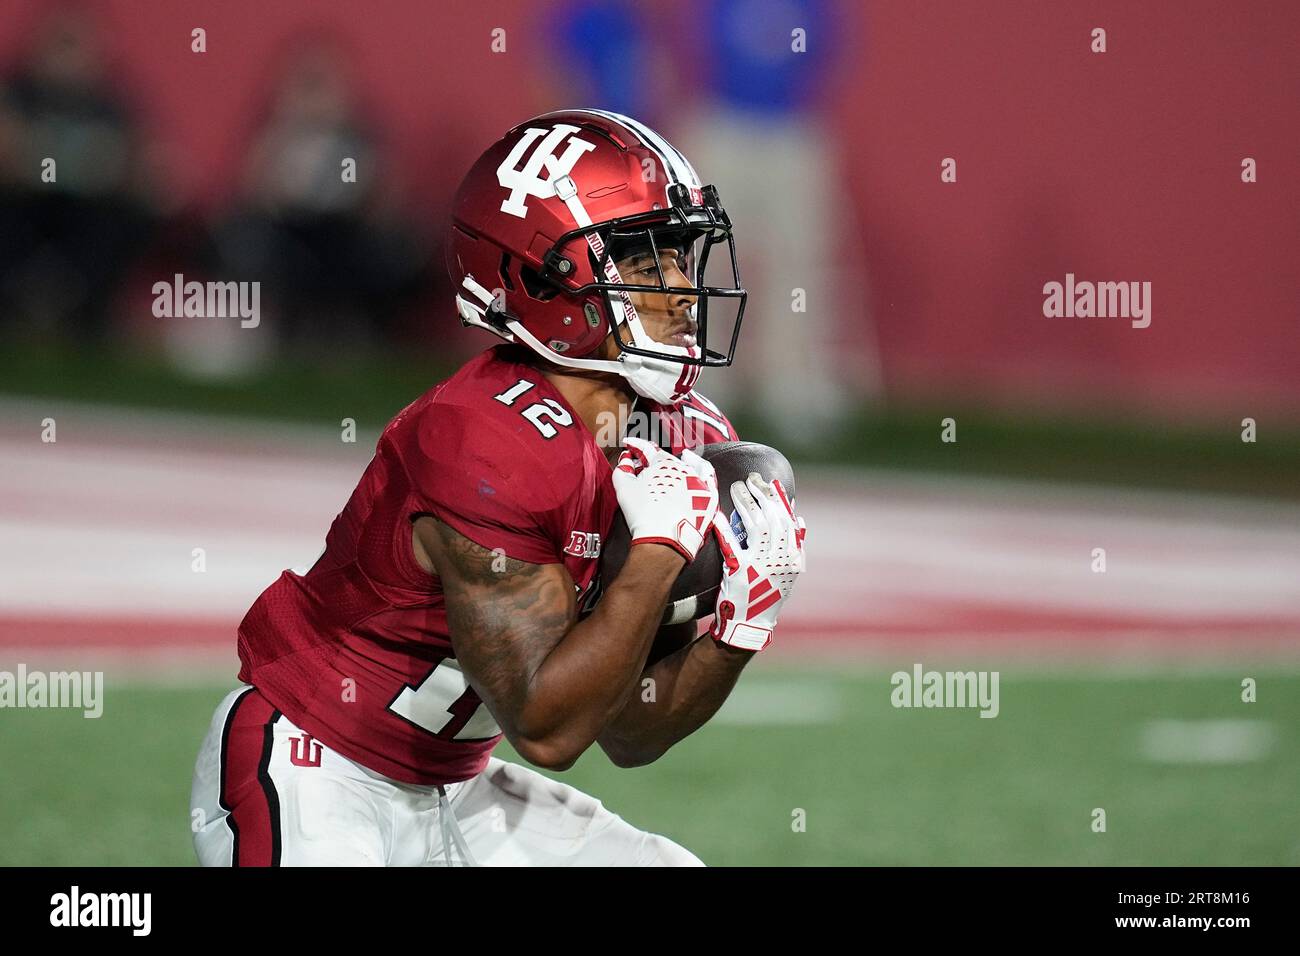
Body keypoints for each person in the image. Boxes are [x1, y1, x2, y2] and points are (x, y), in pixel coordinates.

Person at [190, 109, 807, 866]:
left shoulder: (682, 432)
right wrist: (655, 555)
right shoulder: (481, 439)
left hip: (459, 788)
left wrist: (739, 632)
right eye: (648, 263)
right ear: (545, 275)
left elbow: (628, 730)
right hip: (319, 764)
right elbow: (548, 729)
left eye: (683, 256)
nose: (683, 293)